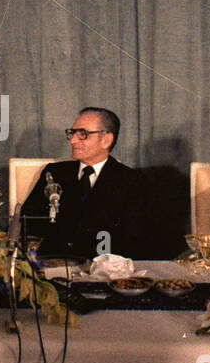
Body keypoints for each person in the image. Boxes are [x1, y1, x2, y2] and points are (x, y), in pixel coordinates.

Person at [20, 108, 149, 260]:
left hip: (104, 273)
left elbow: (134, 240)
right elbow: (25, 222)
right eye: (72, 133)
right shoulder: (54, 173)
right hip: (53, 266)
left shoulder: (132, 181)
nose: (73, 140)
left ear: (106, 140)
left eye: (83, 134)